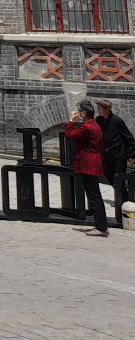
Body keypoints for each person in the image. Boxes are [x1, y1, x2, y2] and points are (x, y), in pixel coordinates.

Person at [64, 99, 109, 238]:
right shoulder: (95, 125)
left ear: (83, 113)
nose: (78, 114)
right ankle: (102, 225)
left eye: (79, 112)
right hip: (93, 164)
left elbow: (69, 135)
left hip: (87, 165)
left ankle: (101, 228)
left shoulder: (86, 127)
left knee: (93, 196)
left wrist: (70, 120)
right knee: (95, 195)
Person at [96, 98, 135, 200]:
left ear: (106, 109)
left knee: (118, 179)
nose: (98, 109)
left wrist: (131, 155)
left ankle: (123, 199)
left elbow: (129, 138)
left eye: (99, 107)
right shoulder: (99, 120)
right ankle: (124, 197)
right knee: (109, 176)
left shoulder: (117, 121)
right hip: (106, 156)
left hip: (119, 156)